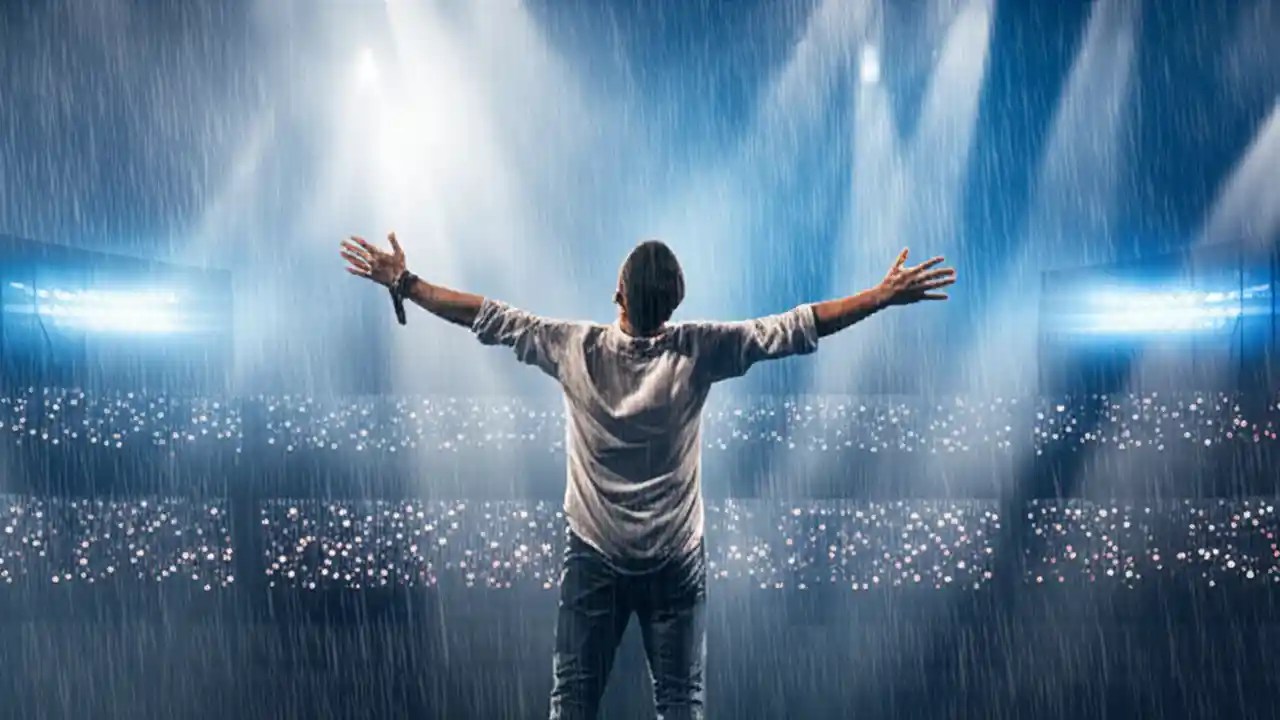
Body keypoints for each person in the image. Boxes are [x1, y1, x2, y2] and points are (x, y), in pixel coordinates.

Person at [339, 234, 956, 720]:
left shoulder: (571, 347)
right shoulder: (700, 349)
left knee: (573, 706)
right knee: (680, 707)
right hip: (672, 565)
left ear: (619, 294)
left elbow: (486, 316)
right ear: (672, 304)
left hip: (597, 558)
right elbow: (796, 327)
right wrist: (878, 297)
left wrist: (408, 283)